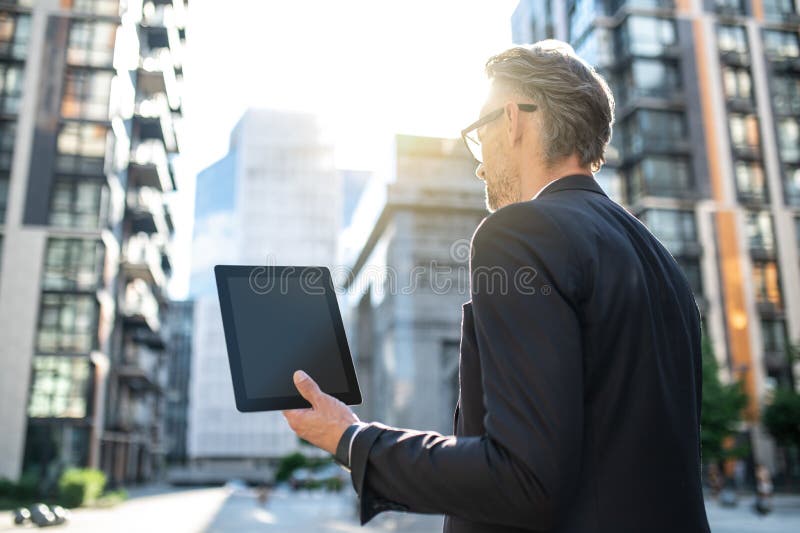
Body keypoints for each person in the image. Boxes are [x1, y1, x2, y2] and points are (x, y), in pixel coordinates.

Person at [282, 40, 711, 532]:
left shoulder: (521, 231)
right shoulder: (664, 266)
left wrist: (351, 439)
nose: (479, 163)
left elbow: (523, 478)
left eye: (477, 133)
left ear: (512, 121)